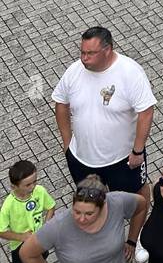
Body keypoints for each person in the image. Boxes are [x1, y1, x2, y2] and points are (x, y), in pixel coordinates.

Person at [53, 27, 156, 200]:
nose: (84, 58)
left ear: (107, 50)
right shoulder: (74, 71)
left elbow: (146, 112)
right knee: (90, 200)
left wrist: (138, 151)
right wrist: (67, 143)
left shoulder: (130, 73)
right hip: (82, 160)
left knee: (137, 194)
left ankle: (138, 226)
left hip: (123, 160)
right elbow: (61, 103)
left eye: (90, 53)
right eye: (82, 52)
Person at [1, 159, 56, 263]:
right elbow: (1, 230)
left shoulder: (39, 191)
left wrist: (46, 226)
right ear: (14, 186)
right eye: (27, 184)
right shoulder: (8, 205)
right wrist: (22, 237)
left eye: (34, 181)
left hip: (39, 242)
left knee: (41, 262)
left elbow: (51, 207)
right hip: (19, 246)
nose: (33, 187)